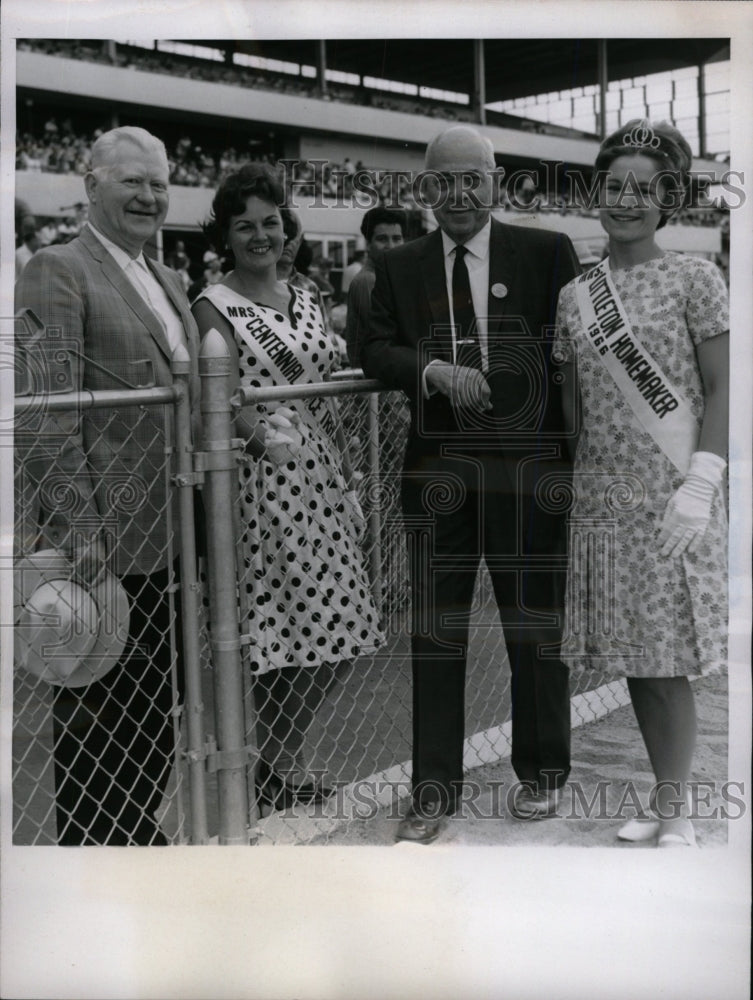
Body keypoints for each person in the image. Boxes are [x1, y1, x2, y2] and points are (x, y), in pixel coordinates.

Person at [361, 125, 580, 844]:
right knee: (435, 636)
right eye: (442, 181)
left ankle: (542, 775)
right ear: (424, 190)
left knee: (533, 630)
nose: (458, 194)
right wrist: (433, 372)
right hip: (439, 478)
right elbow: (373, 347)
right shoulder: (397, 265)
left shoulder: (546, 254)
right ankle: (432, 793)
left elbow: (573, 359)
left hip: (527, 474)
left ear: (496, 181)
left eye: (471, 179)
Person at [15, 126, 200, 845]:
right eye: (132, 181)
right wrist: (78, 525)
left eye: (158, 183)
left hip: (175, 533)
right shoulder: (57, 269)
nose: (149, 196)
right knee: (99, 722)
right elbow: (41, 409)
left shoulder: (169, 278)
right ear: (91, 186)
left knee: (156, 709)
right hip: (106, 542)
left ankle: (135, 841)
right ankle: (95, 856)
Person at [554, 120, 728, 847]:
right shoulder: (575, 295)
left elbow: (723, 388)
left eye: (642, 189)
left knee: (669, 662)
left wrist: (701, 481)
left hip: (672, 496)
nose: (624, 200)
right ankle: (662, 804)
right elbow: (572, 408)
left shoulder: (694, 276)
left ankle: (678, 813)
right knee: (634, 657)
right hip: (602, 499)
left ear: (668, 201)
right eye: (613, 185)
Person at [192, 164, 382, 811]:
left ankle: (274, 758)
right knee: (289, 635)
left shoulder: (302, 293)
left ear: (286, 226)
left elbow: (327, 379)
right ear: (225, 234)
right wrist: (253, 435)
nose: (259, 235)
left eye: (269, 222)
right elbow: (211, 396)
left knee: (331, 633)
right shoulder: (213, 304)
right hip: (262, 487)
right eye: (244, 225)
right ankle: (278, 762)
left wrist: (351, 475)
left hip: (323, 480)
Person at [344, 207, 407, 366]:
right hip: (372, 384)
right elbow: (392, 338)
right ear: (368, 244)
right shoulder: (367, 281)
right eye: (382, 239)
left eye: (397, 238)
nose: (391, 246)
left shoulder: (388, 278)